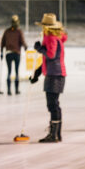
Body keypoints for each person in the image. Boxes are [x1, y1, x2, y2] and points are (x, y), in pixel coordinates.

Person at [31, 14, 67, 143]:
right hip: (54, 74)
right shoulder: (53, 38)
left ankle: (54, 134)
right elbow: (49, 59)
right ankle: (56, 134)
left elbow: (50, 55)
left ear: (47, 27)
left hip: (55, 75)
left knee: (53, 104)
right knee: (53, 104)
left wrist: (39, 48)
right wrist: (37, 73)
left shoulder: (51, 38)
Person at [1, 15, 27, 95]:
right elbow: (22, 41)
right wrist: (25, 46)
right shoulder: (19, 31)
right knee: (16, 71)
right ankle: (16, 90)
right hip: (16, 54)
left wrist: (2, 52)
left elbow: (2, 43)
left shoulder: (7, 31)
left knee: (9, 71)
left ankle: (9, 90)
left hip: (8, 53)